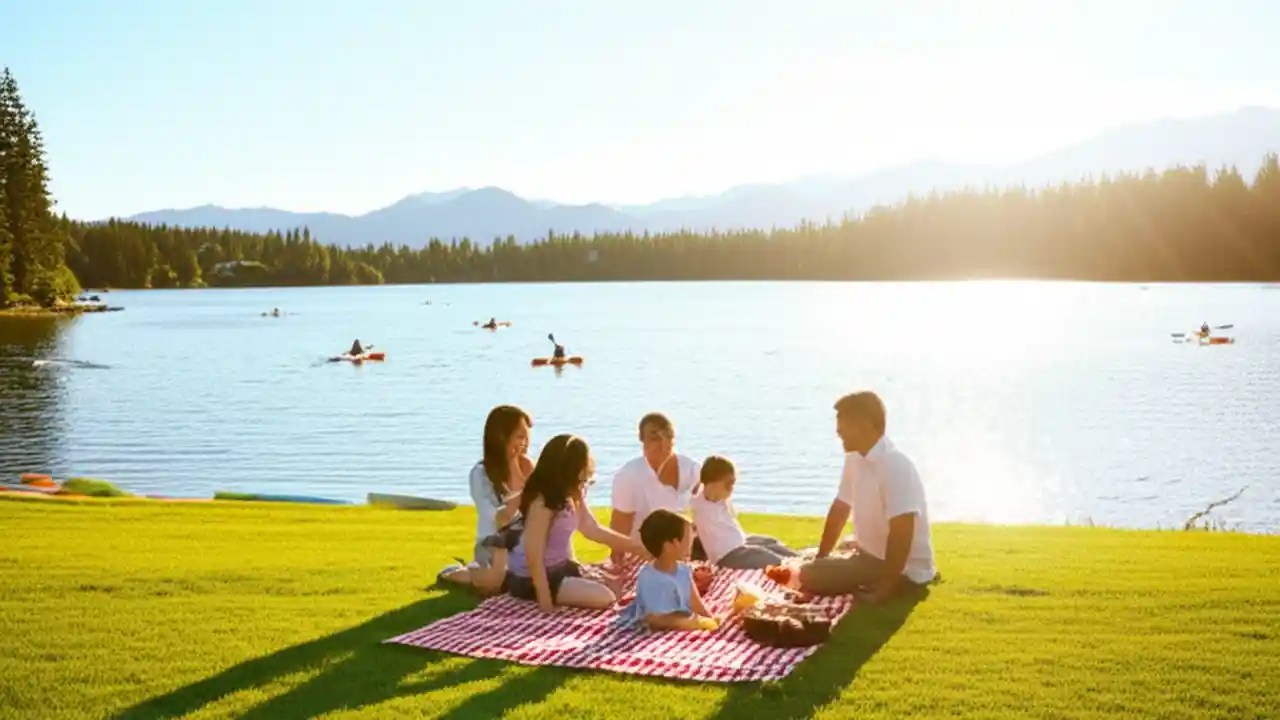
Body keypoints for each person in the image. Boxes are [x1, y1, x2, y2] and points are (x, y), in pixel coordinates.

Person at [793, 391, 936, 603]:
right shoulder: (855, 458)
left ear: (864, 425)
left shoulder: (895, 466)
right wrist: (821, 558)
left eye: (843, 426)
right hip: (869, 555)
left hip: (904, 570)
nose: (838, 432)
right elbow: (841, 506)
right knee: (813, 568)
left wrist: (883, 591)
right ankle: (847, 572)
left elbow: (902, 533)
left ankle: (890, 584)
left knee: (807, 575)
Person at [507, 434, 648, 612]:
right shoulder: (542, 503)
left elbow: (593, 530)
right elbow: (533, 554)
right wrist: (545, 602)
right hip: (531, 578)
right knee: (606, 598)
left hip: (561, 567)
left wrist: (639, 547)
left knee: (616, 584)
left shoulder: (572, 495)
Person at [438, 405, 533, 594]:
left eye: (526, 437)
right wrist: (517, 471)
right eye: (519, 437)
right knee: (501, 582)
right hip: (493, 545)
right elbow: (499, 519)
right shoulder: (480, 474)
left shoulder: (528, 466)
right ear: (501, 438)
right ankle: (452, 574)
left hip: (525, 543)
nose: (525, 444)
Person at [609, 413, 701, 563]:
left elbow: (707, 507)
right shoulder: (628, 476)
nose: (663, 443)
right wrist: (617, 560)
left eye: (668, 436)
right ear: (642, 440)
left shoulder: (692, 469)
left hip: (685, 550)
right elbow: (620, 523)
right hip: (644, 554)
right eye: (655, 438)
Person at [617, 509, 720, 631]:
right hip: (661, 623)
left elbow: (695, 603)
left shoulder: (684, 570)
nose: (692, 541)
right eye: (688, 537)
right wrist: (689, 623)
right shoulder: (652, 579)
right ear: (671, 545)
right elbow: (655, 619)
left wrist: (710, 619)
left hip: (680, 619)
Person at [691, 456, 798, 569]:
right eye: (728, 483)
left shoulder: (721, 499)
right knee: (762, 554)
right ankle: (795, 568)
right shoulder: (698, 503)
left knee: (770, 542)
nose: (732, 488)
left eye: (733, 482)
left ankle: (802, 560)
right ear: (712, 483)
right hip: (727, 556)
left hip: (740, 543)